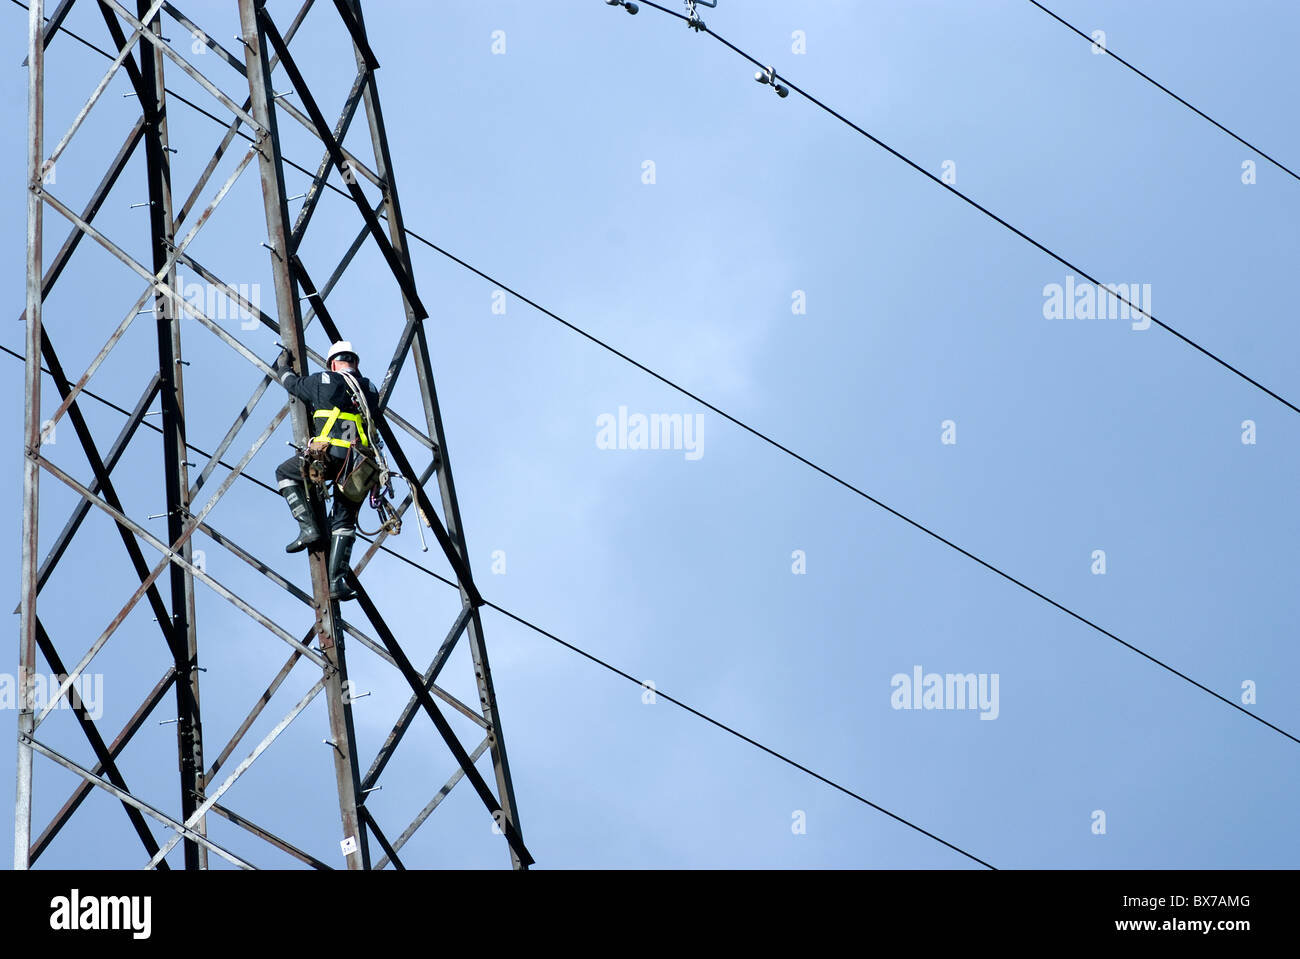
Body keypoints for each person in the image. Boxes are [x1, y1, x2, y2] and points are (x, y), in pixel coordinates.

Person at [274, 340, 381, 601]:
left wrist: (282, 366)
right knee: (344, 520)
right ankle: (336, 582)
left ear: (333, 363)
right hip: (359, 465)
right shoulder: (368, 388)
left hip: (329, 456)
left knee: (284, 473)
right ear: (355, 362)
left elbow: (292, 385)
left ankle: (308, 528)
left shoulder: (323, 379)